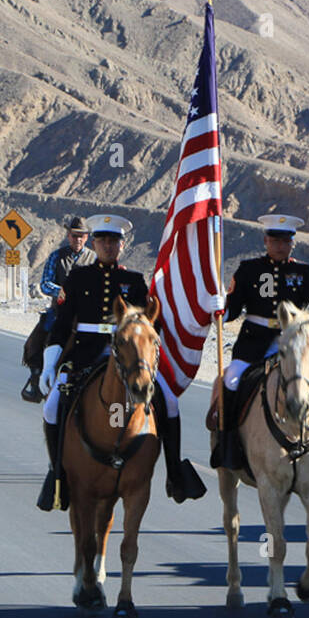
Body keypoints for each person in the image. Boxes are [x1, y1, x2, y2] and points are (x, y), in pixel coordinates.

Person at [36, 213, 205, 510]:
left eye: (113, 241)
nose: (107, 246)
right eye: (102, 240)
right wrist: (50, 364)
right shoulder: (79, 278)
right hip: (85, 355)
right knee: (52, 407)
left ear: (122, 245)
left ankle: (175, 472)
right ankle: (57, 475)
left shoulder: (133, 281)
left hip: (128, 357)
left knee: (169, 400)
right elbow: (62, 326)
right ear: (95, 243)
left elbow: (151, 325)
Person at [212, 213, 309, 474]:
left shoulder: (304, 273)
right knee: (231, 382)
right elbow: (234, 308)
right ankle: (229, 444)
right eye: (275, 240)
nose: (280, 245)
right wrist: (220, 311)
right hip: (253, 344)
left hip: (295, 346)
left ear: (293, 243)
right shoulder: (248, 269)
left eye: (286, 241)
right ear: (265, 240)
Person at [22, 217, 95, 401]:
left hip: (87, 311)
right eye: (74, 235)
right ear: (68, 236)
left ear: (86, 237)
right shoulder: (56, 256)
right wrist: (62, 291)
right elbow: (45, 283)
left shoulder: (94, 258)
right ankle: (36, 379)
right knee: (36, 339)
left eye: (81, 236)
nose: (77, 239)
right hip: (60, 310)